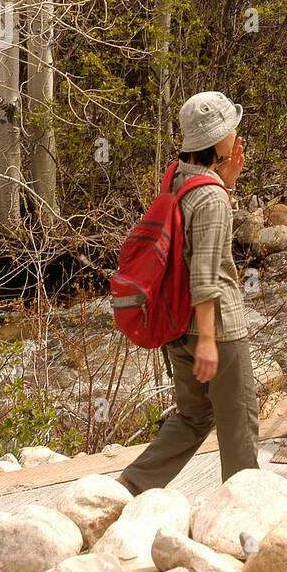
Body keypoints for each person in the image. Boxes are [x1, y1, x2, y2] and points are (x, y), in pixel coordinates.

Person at [117, 91, 259, 493]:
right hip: (217, 330)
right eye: (231, 129)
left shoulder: (176, 176)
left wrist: (225, 183)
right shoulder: (212, 197)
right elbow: (205, 274)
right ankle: (245, 509)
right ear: (216, 141)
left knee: (193, 416)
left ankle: (130, 485)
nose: (236, 134)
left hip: (177, 323)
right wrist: (210, 342)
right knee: (240, 424)